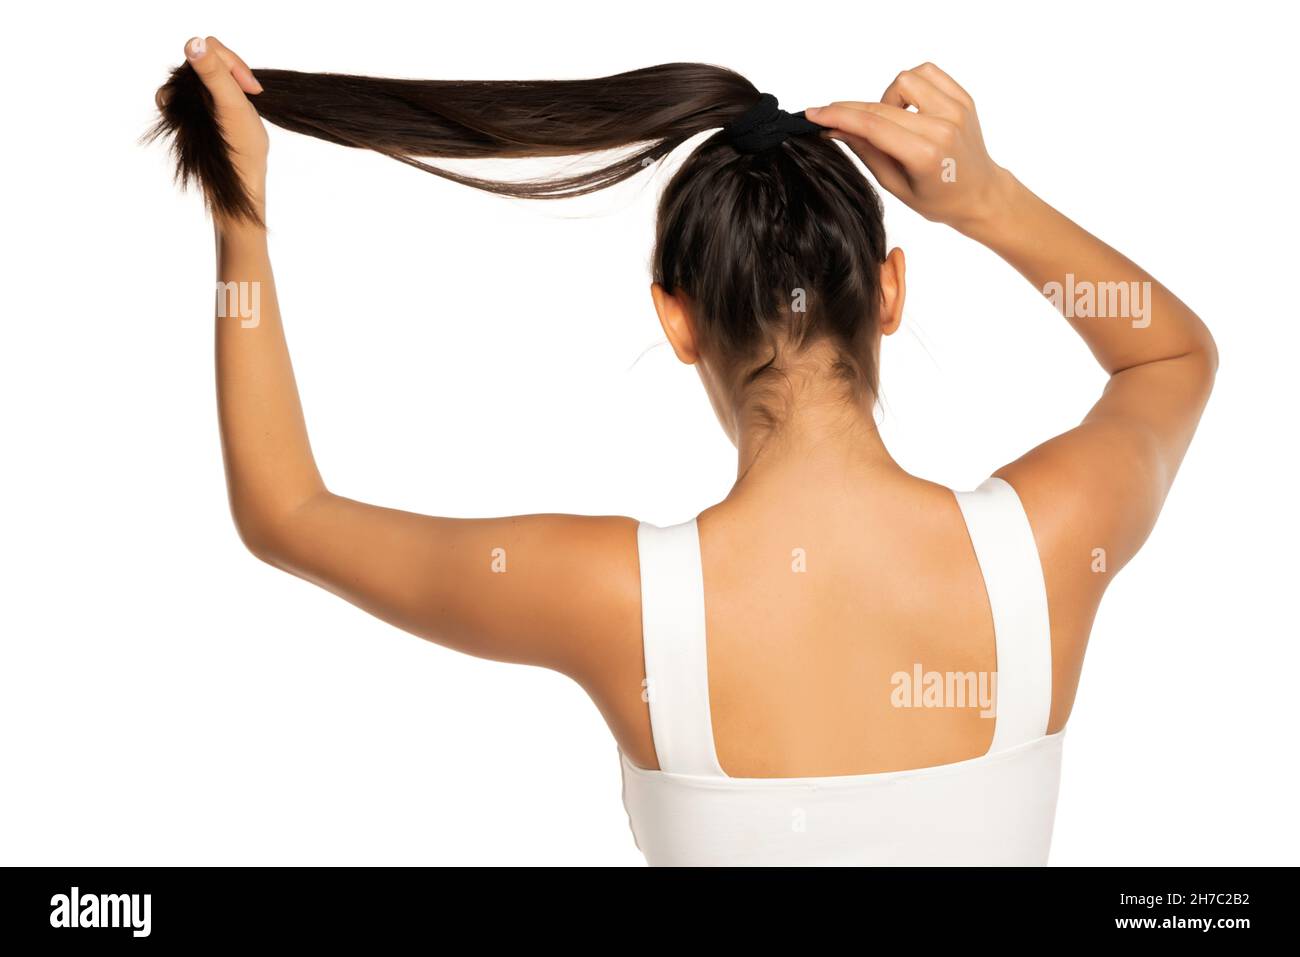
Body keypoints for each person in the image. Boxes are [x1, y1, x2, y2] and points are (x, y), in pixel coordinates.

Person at [158, 37, 1217, 865]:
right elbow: (1170, 356)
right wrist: (984, 196)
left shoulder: (617, 599)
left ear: (677, 320)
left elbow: (286, 514)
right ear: (888, 292)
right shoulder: (1042, 550)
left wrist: (239, 210)